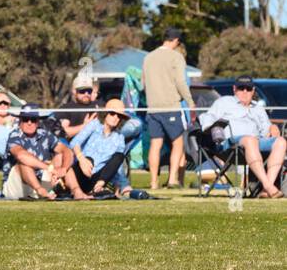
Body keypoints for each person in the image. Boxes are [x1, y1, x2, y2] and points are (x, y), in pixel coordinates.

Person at [200, 76, 286, 198]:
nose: (245, 91)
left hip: (256, 143)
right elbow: (207, 118)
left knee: (281, 141)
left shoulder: (258, 108)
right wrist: (210, 128)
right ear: (234, 89)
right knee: (250, 139)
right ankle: (268, 185)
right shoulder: (224, 102)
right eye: (241, 88)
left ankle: (267, 189)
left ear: (253, 90)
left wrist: (273, 127)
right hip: (230, 146)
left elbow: (267, 129)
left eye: (248, 88)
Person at [142, 27, 195, 190]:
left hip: (152, 109)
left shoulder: (148, 57)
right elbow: (180, 82)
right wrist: (190, 101)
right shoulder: (176, 57)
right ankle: (172, 179)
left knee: (155, 144)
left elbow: (143, 84)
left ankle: (153, 182)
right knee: (178, 144)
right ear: (176, 41)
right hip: (170, 106)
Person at [4, 104, 85, 200]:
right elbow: (21, 156)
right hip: (17, 186)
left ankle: (77, 191)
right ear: (20, 121)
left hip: (41, 181)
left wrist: (63, 168)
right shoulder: (14, 135)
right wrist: (49, 168)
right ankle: (41, 190)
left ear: (38, 122)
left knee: (60, 157)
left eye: (33, 120)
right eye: (25, 119)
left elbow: (67, 151)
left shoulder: (44, 134)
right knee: (23, 163)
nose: (29, 123)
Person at [67, 99, 133, 197]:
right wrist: (81, 159)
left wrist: (124, 185)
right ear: (105, 114)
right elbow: (74, 142)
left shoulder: (120, 138)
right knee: (89, 159)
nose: (116, 118)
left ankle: (99, 186)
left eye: (119, 116)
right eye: (112, 113)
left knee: (119, 156)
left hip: (98, 178)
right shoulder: (95, 124)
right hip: (81, 171)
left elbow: (117, 165)